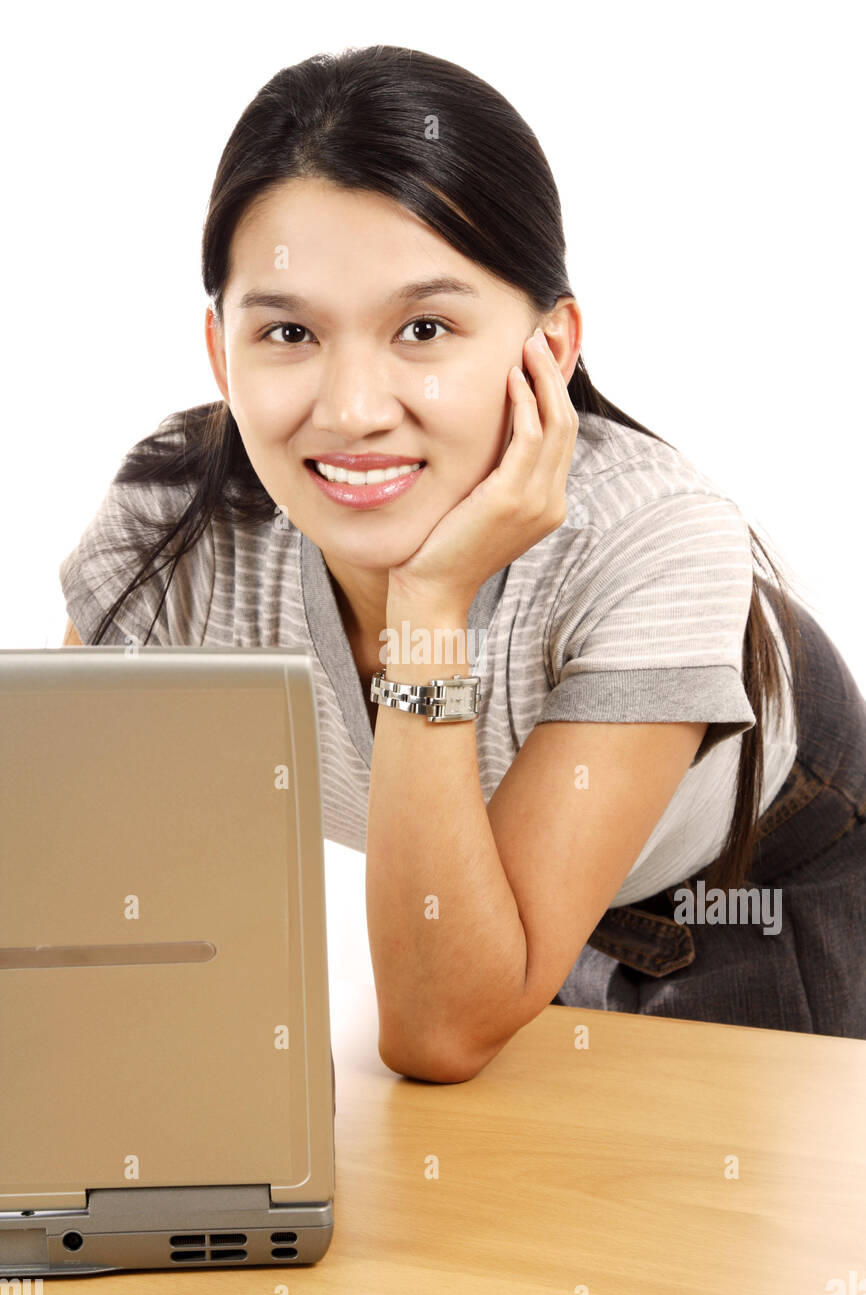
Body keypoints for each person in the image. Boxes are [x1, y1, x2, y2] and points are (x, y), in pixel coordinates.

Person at [59, 46, 866, 1079]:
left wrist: (427, 605)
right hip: (497, 900)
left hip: (753, 886)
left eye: (424, 327)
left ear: (549, 347)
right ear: (221, 352)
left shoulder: (653, 539)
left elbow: (437, 1032)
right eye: (290, 331)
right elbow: (60, 873)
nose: (351, 412)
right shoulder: (172, 526)